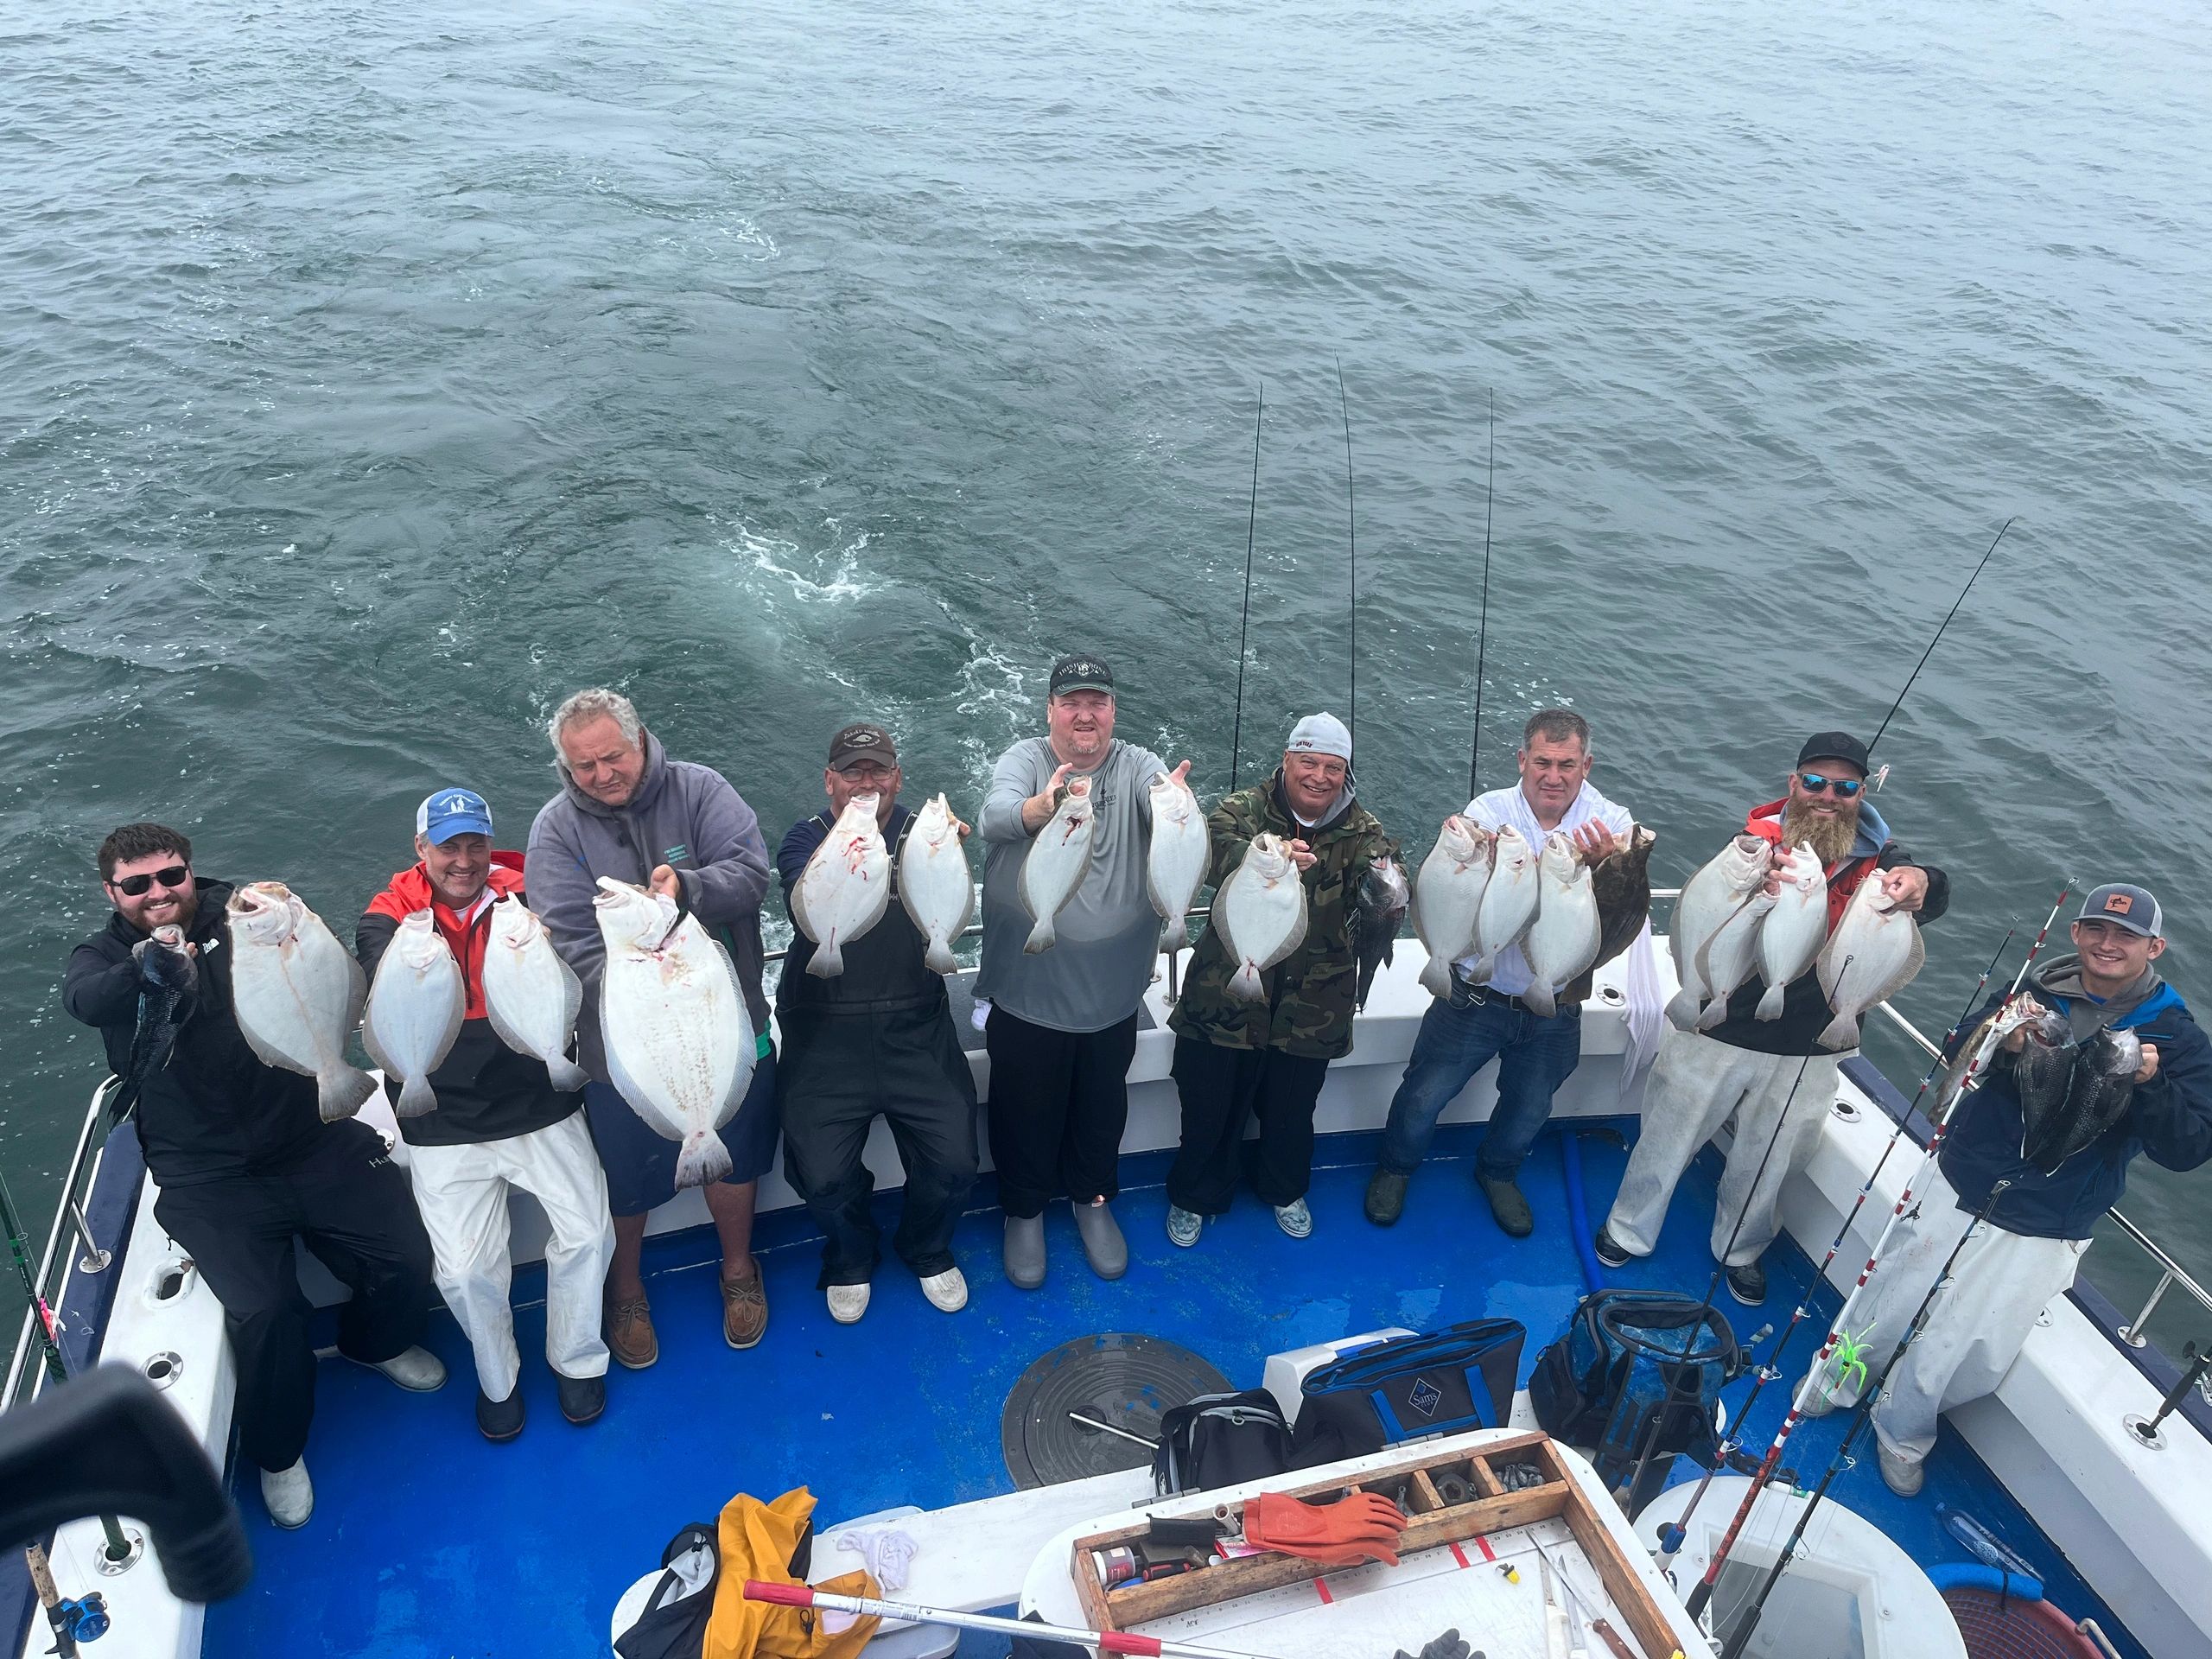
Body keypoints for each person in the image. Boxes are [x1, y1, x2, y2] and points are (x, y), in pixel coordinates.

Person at [62, 823, 442, 1529]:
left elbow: (317, 956)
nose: (158, 893)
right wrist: (146, 964)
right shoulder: (104, 954)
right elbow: (83, 1000)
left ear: (189, 872)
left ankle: (376, 1344)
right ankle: (279, 1452)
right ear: (112, 892)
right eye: (137, 885)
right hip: (204, 1171)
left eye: (170, 876)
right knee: (265, 1311)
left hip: (308, 1131)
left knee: (407, 1251)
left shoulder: (239, 915)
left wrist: (287, 913)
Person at [1801, 884, 2212, 1495]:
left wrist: (2150, 1084)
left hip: (2049, 1217)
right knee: (1888, 1288)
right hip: (1960, 1176)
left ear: (2155, 946)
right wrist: (1999, 1039)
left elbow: (2187, 1149)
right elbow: (1956, 1048)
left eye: (2125, 936)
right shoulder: (2033, 989)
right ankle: (1835, 1380)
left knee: (1967, 1340)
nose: (2108, 944)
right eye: (2096, 929)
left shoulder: (2179, 1039)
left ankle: (1903, 1433)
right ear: (2076, 934)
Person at [1598, 730, 1949, 1304]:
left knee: (1772, 1160)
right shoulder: (1756, 844)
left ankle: (1742, 1249)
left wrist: (1925, 885)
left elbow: (1929, 894)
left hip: (1811, 1046)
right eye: (1814, 782)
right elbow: (1707, 914)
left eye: (1843, 786)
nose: (1826, 795)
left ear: (1862, 792)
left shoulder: (1888, 867)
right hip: (1721, 1024)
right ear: (1793, 784)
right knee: (1668, 1133)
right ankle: (1627, 1229)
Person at [524, 690, 779, 1367]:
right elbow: (562, 938)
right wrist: (640, 963)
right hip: (623, 1048)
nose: (603, 774)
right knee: (628, 1180)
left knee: (736, 1160)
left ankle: (737, 1271)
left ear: (641, 742)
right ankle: (627, 1289)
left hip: (728, 1025)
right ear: (566, 768)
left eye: (613, 757)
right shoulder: (555, 830)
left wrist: (686, 892)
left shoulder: (701, 790)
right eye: (584, 766)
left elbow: (753, 875)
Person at [356, 788, 614, 1440]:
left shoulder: (530, 892)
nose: (463, 860)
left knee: (588, 1233)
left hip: (539, 1097)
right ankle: (497, 1379)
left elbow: (585, 947)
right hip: (439, 1114)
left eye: (474, 844)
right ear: (421, 850)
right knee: (466, 1271)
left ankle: (577, 1359)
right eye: (448, 847)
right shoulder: (388, 916)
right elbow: (381, 981)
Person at [1365, 709, 1642, 1236]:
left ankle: (1498, 1173)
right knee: (1425, 1091)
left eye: (1566, 764)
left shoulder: (1612, 824)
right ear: (1523, 760)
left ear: (1587, 765)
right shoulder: (1487, 812)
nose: (1553, 776)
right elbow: (1451, 887)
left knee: (1532, 1103)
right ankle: (1395, 1167)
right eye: (1542, 762)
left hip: (1555, 999)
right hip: (1473, 993)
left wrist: (1611, 869)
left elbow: (1620, 919)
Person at [976, 652, 1190, 1288]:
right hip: (1026, 990)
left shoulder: (1140, 766)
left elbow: (1167, 813)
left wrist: (1178, 810)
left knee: (1101, 1108)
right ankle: (1023, 1211)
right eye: (1071, 702)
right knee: (1024, 1107)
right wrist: (1036, 811)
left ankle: (1093, 1201)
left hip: (1114, 994)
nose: (1085, 713)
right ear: (1050, 711)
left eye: (1097, 701)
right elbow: (992, 815)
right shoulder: (1024, 760)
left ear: (1113, 711)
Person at [774, 723, 981, 1325]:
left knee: (955, 1160)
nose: (866, 783)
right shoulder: (803, 840)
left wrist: (946, 850)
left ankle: (926, 1246)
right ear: (830, 780)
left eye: (878, 771)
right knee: (818, 1171)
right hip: (823, 1033)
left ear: (897, 777)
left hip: (915, 1027)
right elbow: (802, 897)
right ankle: (849, 1255)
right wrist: (854, 843)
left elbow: (952, 893)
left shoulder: (927, 833)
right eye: (852, 772)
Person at [1165, 714, 1394, 1245]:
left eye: (1333, 767)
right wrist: (1262, 856)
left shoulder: (1366, 833)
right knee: (1207, 1106)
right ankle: (1195, 1194)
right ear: (1287, 760)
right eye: (1308, 762)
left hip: (1312, 1011)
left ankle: (1284, 1188)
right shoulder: (1240, 811)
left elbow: (1386, 888)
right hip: (1223, 999)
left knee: (1291, 1114)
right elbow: (1216, 848)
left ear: (1346, 772)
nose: (1319, 776)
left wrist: (1389, 878)